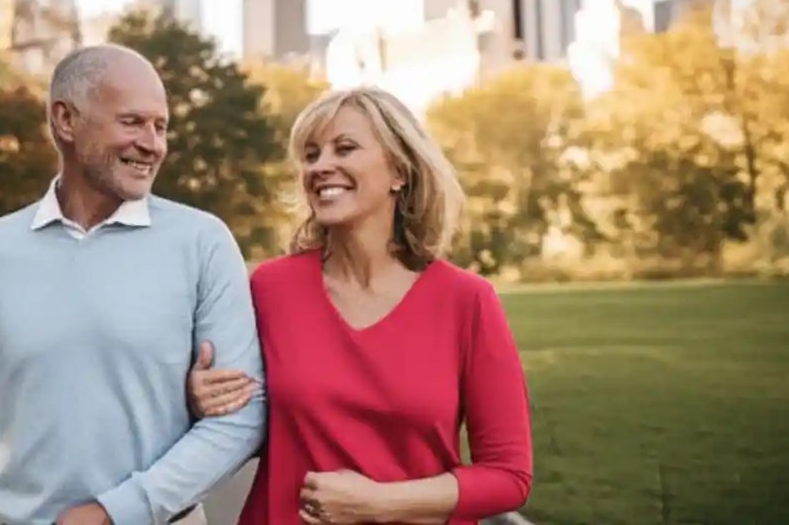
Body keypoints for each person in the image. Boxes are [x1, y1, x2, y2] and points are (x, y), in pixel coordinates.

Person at [0, 44, 267, 525]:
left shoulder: (203, 243)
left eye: (161, 126)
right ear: (65, 120)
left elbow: (242, 417)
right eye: (132, 122)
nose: (153, 144)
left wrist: (114, 512)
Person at [187, 87, 533, 524]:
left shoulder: (468, 302)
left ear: (399, 172)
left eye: (344, 148)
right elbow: (242, 422)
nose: (320, 167)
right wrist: (202, 400)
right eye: (311, 155)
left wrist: (377, 504)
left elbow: (509, 476)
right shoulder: (271, 288)